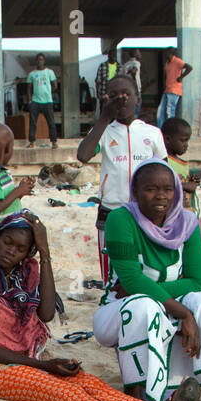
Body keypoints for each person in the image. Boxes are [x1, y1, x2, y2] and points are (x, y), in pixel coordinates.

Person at [0, 210, 201, 401]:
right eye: (7, 242)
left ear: (28, 253)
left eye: (21, 248)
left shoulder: (26, 271)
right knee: (65, 393)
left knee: (89, 383)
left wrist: (45, 254)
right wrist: (43, 366)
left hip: (31, 356)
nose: (11, 251)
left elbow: (45, 314)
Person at [95, 160, 201, 401]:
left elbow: (196, 281)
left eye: (168, 189)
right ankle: (134, 392)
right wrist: (181, 312)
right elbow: (131, 282)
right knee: (141, 305)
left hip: (165, 303)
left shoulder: (188, 223)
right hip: (117, 313)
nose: (161, 196)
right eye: (151, 189)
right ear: (135, 191)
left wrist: (148, 289)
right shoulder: (120, 219)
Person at [76, 75, 167, 282]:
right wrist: (103, 119)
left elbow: (164, 171)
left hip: (144, 210)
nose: (121, 99)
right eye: (114, 95)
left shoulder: (151, 133)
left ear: (137, 97)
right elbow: (83, 155)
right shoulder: (103, 132)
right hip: (111, 210)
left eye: (126, 94)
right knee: (111, 272)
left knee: (145, 267)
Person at [163, 117, 200, 213]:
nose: (186, 145)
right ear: (167, 139)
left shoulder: (181, 163)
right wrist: (187, 186)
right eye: (183, 140)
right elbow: (164, 185)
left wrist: (193, 181)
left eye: (187, 141)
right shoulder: (163, 162)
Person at [26, 53, 58, 149]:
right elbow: (28, 88)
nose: (40, 61)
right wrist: (30, 101)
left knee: (51, 122)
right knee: (33, 122)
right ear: (36, 61)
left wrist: (48, 92)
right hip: (35, 101)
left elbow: (55, 85)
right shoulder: (31, 74)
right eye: (38, 59)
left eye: (41, 59)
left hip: (47, 101)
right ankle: (32, 142)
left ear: (44, 61)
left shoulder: (49, 72)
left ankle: (54, 142)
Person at [157, 48, 192, 125]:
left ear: (170, 53)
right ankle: (161, 128)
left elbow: (189, 67)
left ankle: (170, 128)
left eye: (166, 52)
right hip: (167, 89)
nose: (165, 54)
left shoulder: (177, 61)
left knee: (170, 111)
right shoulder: (167, 63)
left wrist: (181, 77)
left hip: (174, 89)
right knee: (161, 110)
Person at [94, 50, 121, 116]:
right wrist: (98, 93)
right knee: (103, 112)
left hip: (115, 94)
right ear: (108, 56)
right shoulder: (102, 66)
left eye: (115, 55)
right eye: (112, 55)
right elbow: (98, 80)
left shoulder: (119, 66)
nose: (114, 57)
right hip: (104, 94)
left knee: (115, 113)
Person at [122, 49, 142, 116]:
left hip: (127, 88)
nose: (140, 54)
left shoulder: (125, 64)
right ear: (136, 54)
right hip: (135, 89)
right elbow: (134, 71)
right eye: (138, 52)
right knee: (136, 107)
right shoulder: (136, 63)